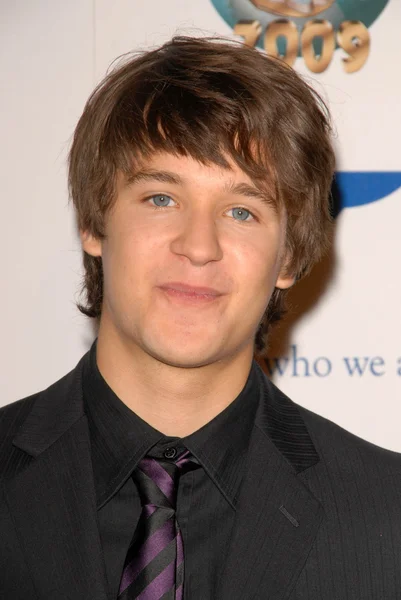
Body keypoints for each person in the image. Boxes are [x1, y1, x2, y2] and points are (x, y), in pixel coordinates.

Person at [1, 35, 400, 600]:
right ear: (94, 222)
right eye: (161, 198)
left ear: (288, 257)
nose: (198, 246)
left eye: (241, 211)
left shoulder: (388, 517)